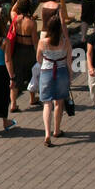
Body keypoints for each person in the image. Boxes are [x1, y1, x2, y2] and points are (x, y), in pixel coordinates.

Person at [37, 11, 72, 146]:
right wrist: (69, 77)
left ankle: (47, 133)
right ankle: (57, 129)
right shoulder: (65, 42)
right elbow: (69, 62)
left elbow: (38, 59)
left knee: (47, 103)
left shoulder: (43, 42)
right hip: (62, 71)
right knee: (59, 103)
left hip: (47, 71)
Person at [8, 0, 38, 113]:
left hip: (18, 49)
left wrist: (18, 0)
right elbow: (35, 41)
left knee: (16, 77)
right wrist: (38, 55)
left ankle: (13, 104)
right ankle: (32, 98)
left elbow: (12, 10)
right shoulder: (32, 23)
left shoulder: (16, 19)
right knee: (31, 74)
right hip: (29, 49)